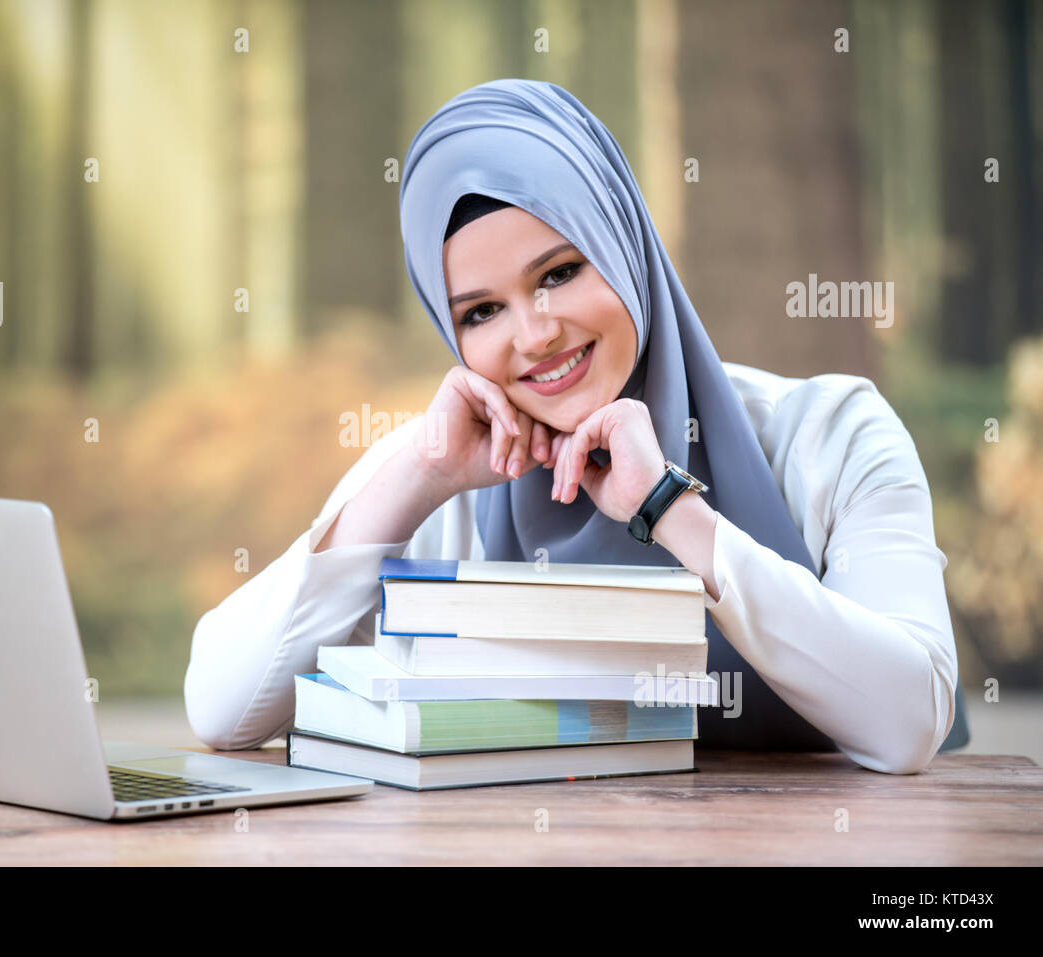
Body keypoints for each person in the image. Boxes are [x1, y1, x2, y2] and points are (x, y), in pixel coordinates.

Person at [184, 79, 968, 773]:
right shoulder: (445, 468)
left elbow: (906, 723)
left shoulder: (831, 434)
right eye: (482, 311)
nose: (535, 334)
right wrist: (415, 481)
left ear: (624, 246)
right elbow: (221, 708)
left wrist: (669, 508)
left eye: (559, 273)